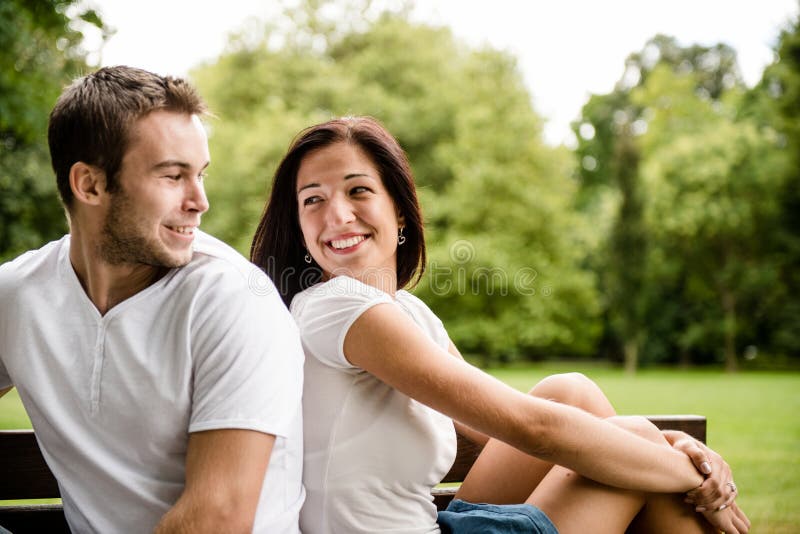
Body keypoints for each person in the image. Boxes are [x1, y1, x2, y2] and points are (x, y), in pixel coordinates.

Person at [251, 116, 750, 534]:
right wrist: (693, 472)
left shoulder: (407, 311)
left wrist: (673, 456)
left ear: (400, 212)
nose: (337, 214)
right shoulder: (333, 306)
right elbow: (530, 428)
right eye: (312, 199)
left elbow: (499, 429)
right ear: (298, 224)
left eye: (358, 190)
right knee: (638, 445)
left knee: (570, 391)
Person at [0, 66, 305, 533]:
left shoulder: (236, 302)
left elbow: (216, 520)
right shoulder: (18, 295)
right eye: (173, 176)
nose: (200, 200)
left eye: (200, 174)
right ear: (90, 185)